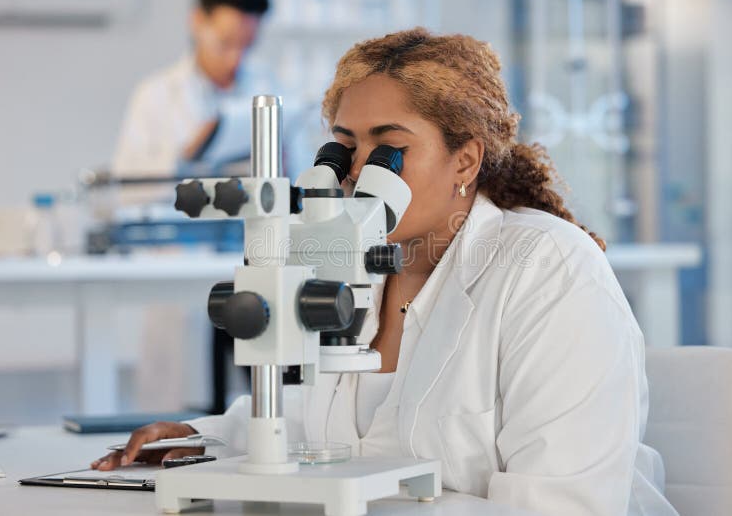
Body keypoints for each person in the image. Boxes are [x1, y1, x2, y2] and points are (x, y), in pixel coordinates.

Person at [91, 28, 678, 515]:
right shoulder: (351, 261)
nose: (355, 173)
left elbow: (562, 504)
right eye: (342, 149)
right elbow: (319, 426)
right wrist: (205, 437)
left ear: (465, 160)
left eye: (388, 151)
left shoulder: (549, 270)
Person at [111, 0, 273, 180]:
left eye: (247, 45)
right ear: (197, 22)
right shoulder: (155, 94)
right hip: (174, 213)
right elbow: (125, 189)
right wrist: (186, 157)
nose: (236, 58)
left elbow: (302, 181)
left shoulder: (271, 88)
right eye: (225, 43)